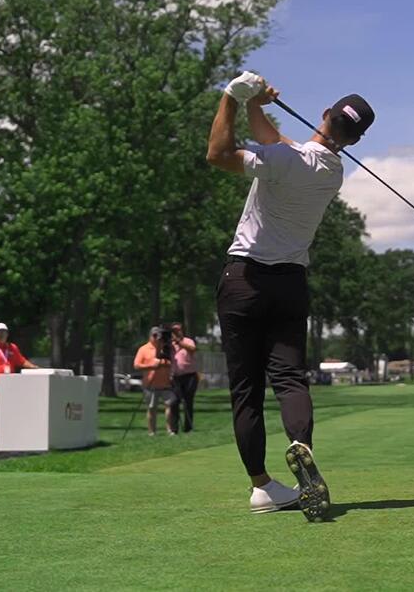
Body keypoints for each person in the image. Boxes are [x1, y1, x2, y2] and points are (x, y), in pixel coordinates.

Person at [207, 70, 375, 520]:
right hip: (289, 284)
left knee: (246, 389)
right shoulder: (332, 171)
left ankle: (261, 486)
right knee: (290, 377)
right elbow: (280, 144)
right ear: (354, 140)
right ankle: (301, 443)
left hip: (245, 279)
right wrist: (256, 105)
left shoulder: (285, 159)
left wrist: (232, 97)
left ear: (324, 114)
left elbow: (218, 153)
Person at [0, 322, 39, 444]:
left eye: (4, 332)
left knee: (8, 411)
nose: (2, 335)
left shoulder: (12, 348)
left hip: (10, 384)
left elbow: (21, 361)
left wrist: (33, 367)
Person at [134, 327, 177, 436]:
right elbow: (137, 365)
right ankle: (152, 432)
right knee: (152, 408)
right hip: (150, 384)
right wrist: (151, 366)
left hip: (165, 383)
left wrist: (164, 363)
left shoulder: (165, 348)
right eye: (155, 336)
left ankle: (170, 430)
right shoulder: (143, 349)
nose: (157, 339)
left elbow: (172, 363)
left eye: (159, 336)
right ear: (151, 336)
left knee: (169, 405)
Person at [170, 322, 199, 433]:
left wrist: (179, 342)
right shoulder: (170, 345)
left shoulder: (188, 341)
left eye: (178, 330)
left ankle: (188, 428)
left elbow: (192, 349)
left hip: (190, 376)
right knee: (174, 402)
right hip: (176, 377)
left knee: (188, 402)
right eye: (174, 331)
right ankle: (174, 429)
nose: (177, 332)